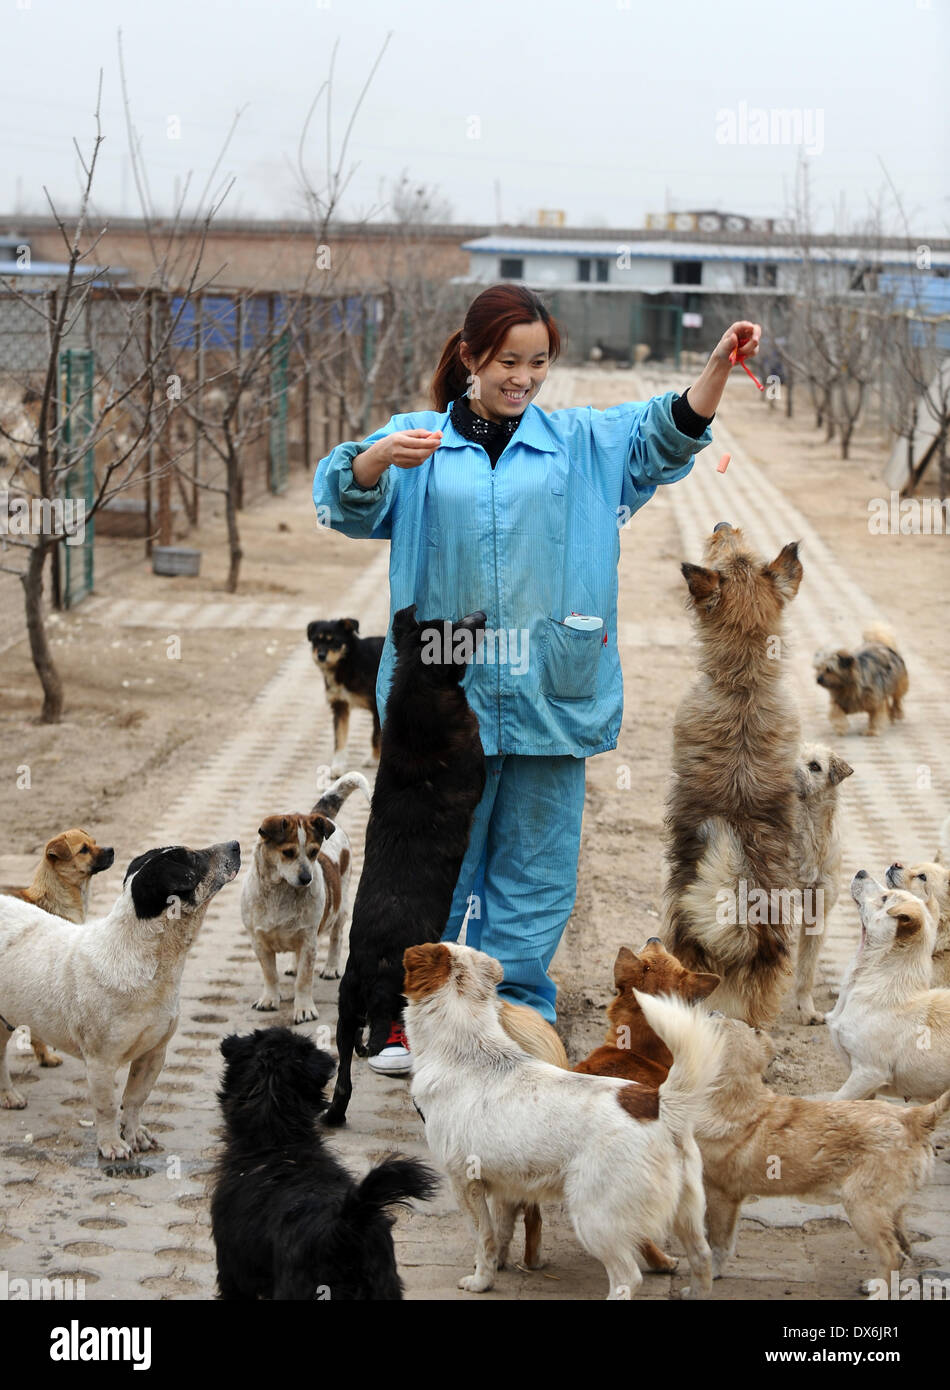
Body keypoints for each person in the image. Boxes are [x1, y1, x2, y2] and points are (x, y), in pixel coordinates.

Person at [313, 283, 760, 1073]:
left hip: (554, 676)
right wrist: (374, 460)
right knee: (439, 858)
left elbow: (667, 430)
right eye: (506, 361)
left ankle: (517, 1013)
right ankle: (422, 1014)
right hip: (446, 686)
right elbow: (342, 503)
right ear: (469, 357)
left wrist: (718, 366)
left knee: (537, 864)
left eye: (538, 362)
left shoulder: (580, 442)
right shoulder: (418, 440)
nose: (522, 377)